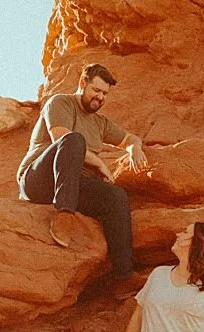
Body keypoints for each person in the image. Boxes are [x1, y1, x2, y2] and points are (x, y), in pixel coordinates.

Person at [17, 63, 148, 280]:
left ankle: (124, 277)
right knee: (73, 139)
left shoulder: (100, 123)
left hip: (74, 184)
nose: (100, 97)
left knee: (116, 196)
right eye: (96, 90)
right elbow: (61, 137)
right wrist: (98, 162)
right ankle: (64, 215)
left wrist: (134, 148)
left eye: (105, 93)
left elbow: (129, 138)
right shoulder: (60, 103)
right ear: (82, 84)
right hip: (38, 181)